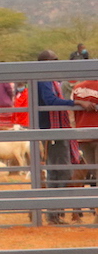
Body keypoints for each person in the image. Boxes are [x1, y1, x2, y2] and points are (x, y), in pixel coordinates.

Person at [35, 50, 94, 224]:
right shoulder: (45, 79)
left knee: (61, 169)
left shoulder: (51, 80)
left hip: (57, 128)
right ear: (46, 62)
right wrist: (77, 102)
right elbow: (50, 100)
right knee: (58, 170)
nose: (57, 62)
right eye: (54, 59)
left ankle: (56, 212)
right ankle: (54, 214)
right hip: (53, 129)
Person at [72, 76, 98, 222]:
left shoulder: (77, 87)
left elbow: (71, 110)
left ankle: (76, 212)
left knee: (82, 174)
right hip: (95, 133)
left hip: (82, 134)